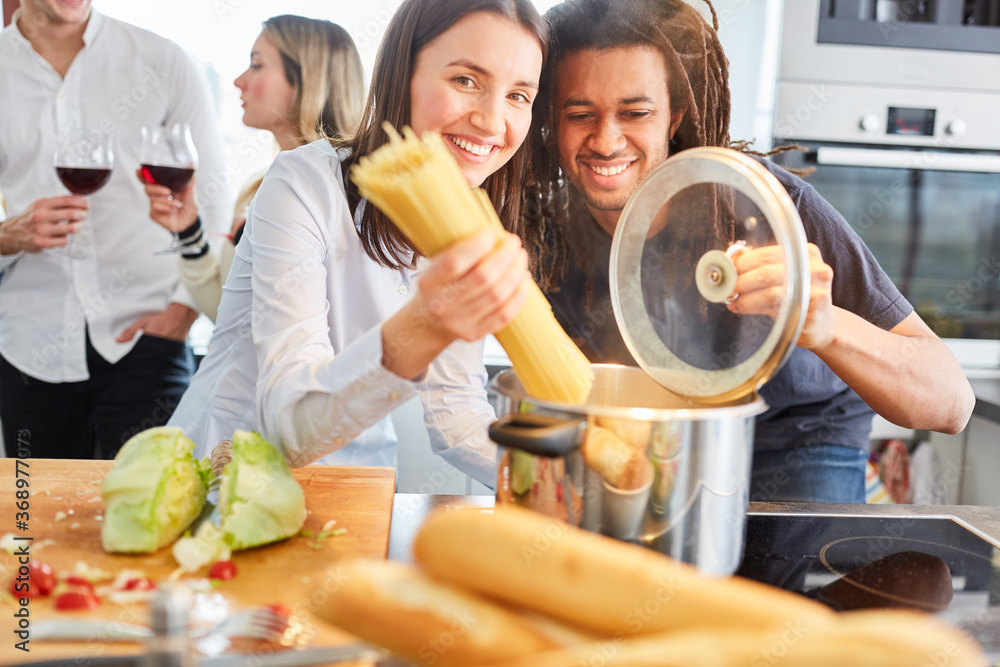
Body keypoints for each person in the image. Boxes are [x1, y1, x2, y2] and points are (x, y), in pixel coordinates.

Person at [522, 0, 975, 503]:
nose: (606, 142)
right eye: (580, 114)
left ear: (674, 116)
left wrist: (826, 327)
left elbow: (951, 403)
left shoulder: (771, 203)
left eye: (636, 112)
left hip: (794, 438)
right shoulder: (541, 233)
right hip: (654, 437)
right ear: (549, 121)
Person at [167, 0, 546, 486]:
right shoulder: (303, 182)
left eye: (518, 95)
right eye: (465, 80)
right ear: (400, 74)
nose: (493, 123)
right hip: (223, 477)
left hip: (356, 493)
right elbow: (287, 425)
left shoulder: (471, 222)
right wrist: (423, 326)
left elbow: (455, 412)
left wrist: (556, 483)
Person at [0, 0, 233, 459]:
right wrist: (7, 236)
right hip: (29, 345)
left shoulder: (163, 61)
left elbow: (212, 194)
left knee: (159, 510)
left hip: (150, 337)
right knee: (37, 520)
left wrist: (182, 312)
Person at [141, 15, 365, 323]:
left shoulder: (351, 191)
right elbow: (230, 314)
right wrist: (188, 231)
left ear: (306, 79)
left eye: (257, 65)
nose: (238, 81)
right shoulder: (255, 188)